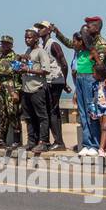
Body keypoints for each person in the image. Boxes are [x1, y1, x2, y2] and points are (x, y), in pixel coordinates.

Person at [52, 17, 106, 156]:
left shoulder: (96, 48)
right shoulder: (79, 51)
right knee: (83, 113)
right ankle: (87, 143)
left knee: (92, 113)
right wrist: (58, 32)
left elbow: (101, 66)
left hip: (91, 80)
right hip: (80, 80)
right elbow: (69, 45)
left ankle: (95, 144)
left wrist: (95, 56)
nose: (74, 43)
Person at [33, 22, 69, 150]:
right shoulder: (44, 45)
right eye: (38, 28)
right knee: (51, 111)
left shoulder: (53, 44)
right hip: (49, 81)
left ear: (49, 30)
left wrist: (64, 81)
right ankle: (56, 141)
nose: (39, 30)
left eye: (42, 27)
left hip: (55, 81)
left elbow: (64, 64)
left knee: (53, 111)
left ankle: (59, 142)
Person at [19, 28, 50, 151]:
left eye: (29, 37)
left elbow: (46, 70)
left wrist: (27, 70)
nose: (27, 40)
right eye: (25, 38)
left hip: (37, 89)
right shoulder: (28, 51)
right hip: (26, 89)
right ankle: (32, 141)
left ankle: (43, 142)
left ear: (36, 38)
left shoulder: (41, 52)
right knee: (28, 117)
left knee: (42, 116)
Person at [0, 35, 23, 148]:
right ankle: (2, 139)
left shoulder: (16, 57)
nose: (3, 45)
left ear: (10, 45)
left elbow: (18, 75)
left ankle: (16, 140)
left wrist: (17, 91)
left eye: (6, 43)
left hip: (11, 85)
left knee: (12, 112)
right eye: (2, 43)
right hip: (1, 86)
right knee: (2, 113)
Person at [91, 63, 106, 155]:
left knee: (105, 127)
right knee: (104, 128)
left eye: (94, 73)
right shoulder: (95, 84)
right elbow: (94, 97)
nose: (92, 74)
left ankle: (101, 149)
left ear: (100, 74)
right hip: (99, 108)